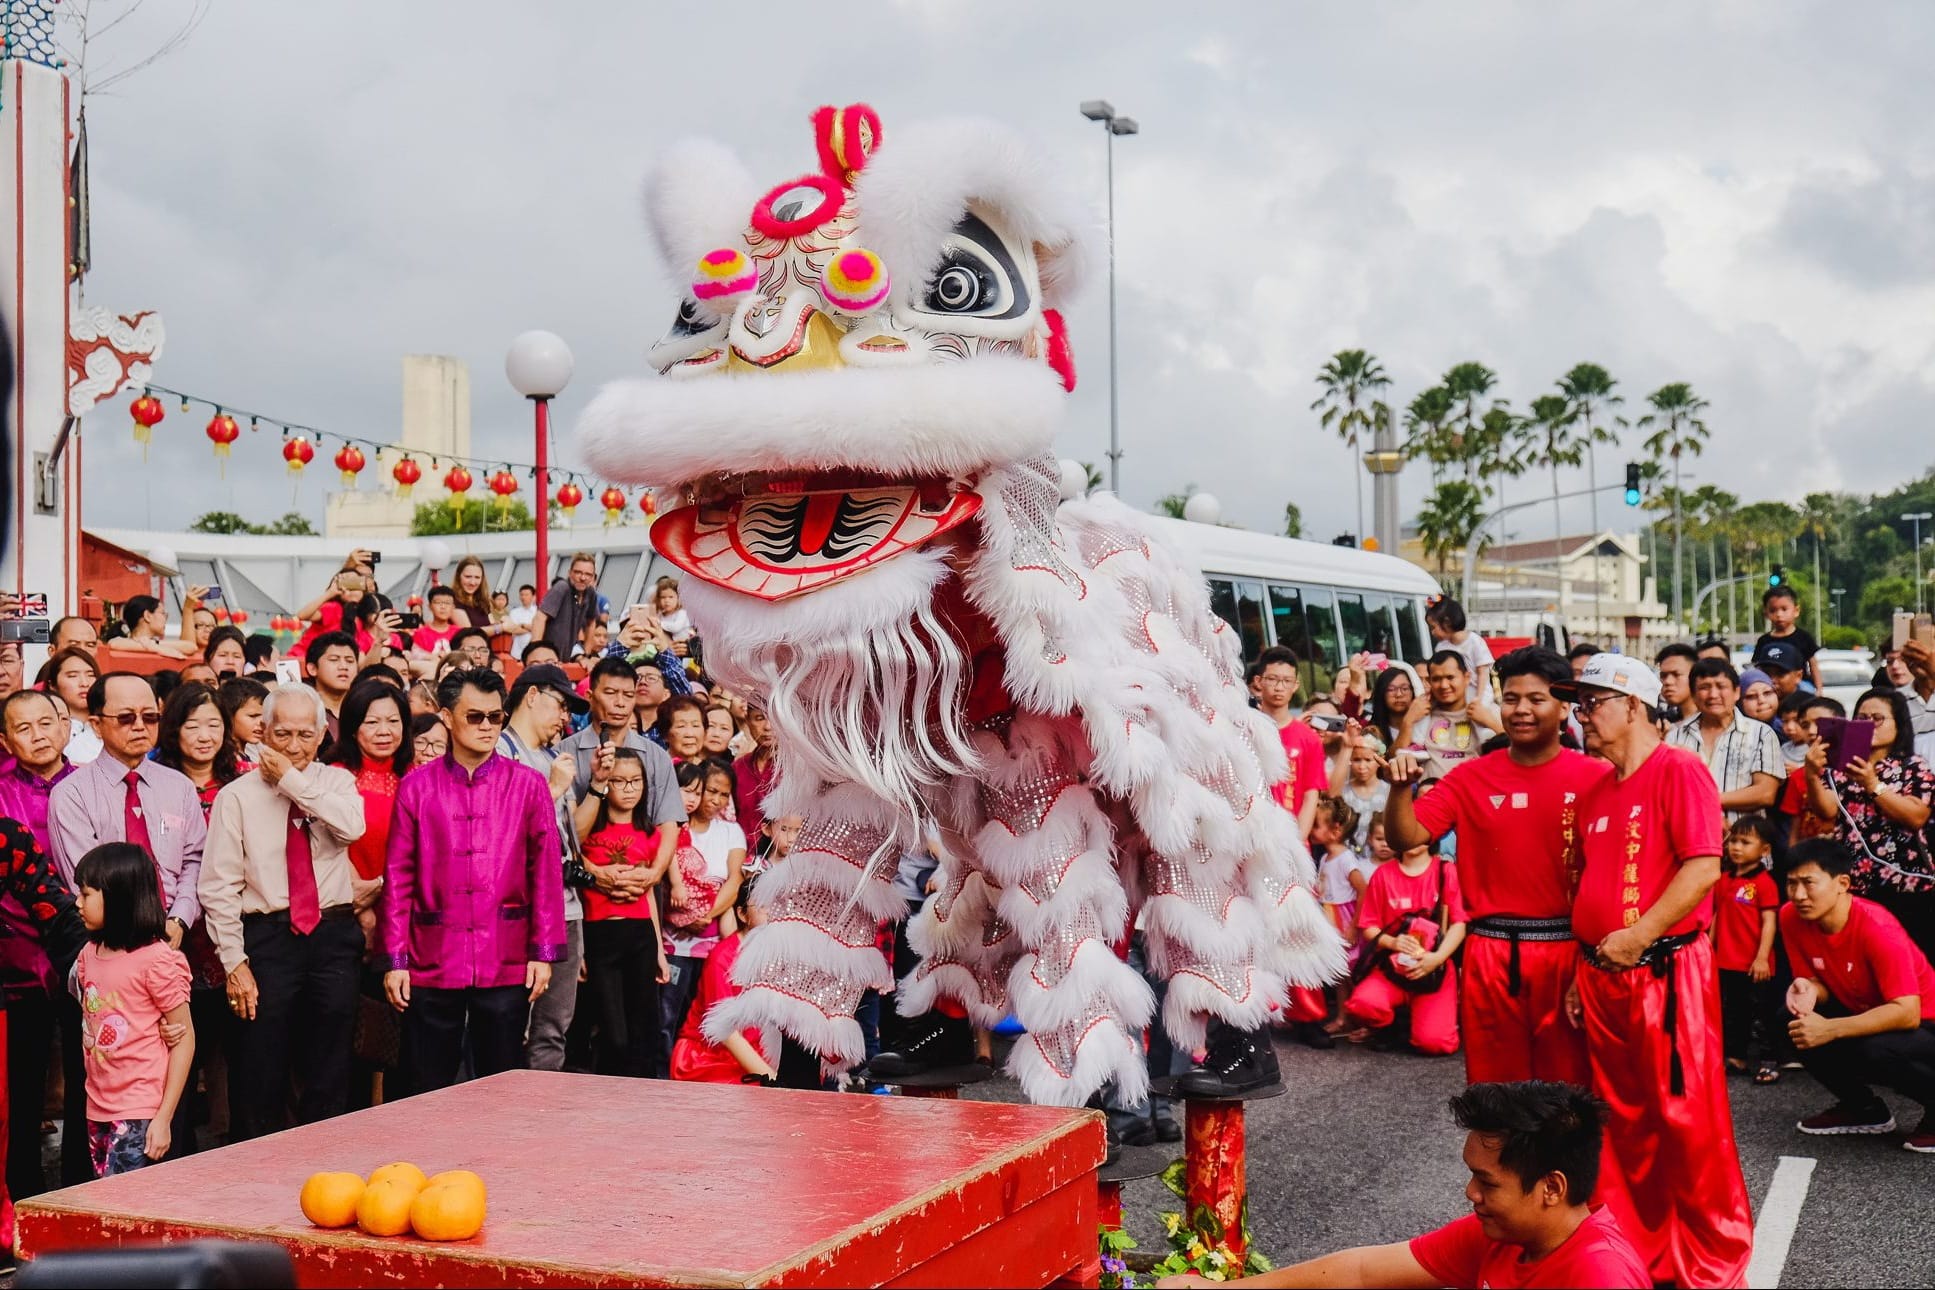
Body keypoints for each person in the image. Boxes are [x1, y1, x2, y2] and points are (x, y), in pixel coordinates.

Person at [1566, 653, 1750, 1289]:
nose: (1581, 715)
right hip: (1602, 976)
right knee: (1621, 1124)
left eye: (1592, 703)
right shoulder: (1595, 787)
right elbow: (1588, 885)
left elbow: (1703, 869)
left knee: (1685, 1118)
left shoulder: (1681, 770)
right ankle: (1639, 1252)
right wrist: (1579, 970)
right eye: (1580, 705)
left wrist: (1639, 934)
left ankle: (1711, 1259)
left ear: (1634, 707)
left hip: (1664, 974)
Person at [1154, 1080, 1647, 1289]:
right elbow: (1363, 1271)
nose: (1470, 1193)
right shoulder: (1511, 1236)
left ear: (1552, 1187)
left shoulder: (1600, 1276)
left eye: (1486, 1182)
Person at [1383, 647, 1603, 1086]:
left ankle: (1560, 1158)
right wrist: (1400, 791)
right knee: (1494, 1089)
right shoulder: (1469, 777)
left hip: (1567, 953)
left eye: (1536, 699)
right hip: (1489, 951)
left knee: (1567, 1092)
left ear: (1564, 708)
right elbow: (1405, 838)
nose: (1521, 710)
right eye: (1511, 698)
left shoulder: (1596, 777)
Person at [380, 668, 565, 1094]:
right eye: (475, 717)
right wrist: (395, 959)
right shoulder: (416, 788)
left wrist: (542, 952)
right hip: (432, 954)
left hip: (507, 951)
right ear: (446, 717)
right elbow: (398, 877)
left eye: (495, 717)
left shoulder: (528, 785)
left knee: (501, 1079)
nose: (487, 727)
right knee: (425, 1080)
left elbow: (546, 872)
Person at [200, 683, 370, 1140]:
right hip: (268, 937)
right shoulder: (236, 796)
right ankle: (254, 1173)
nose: (293, 746)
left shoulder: (336, 783)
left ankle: (326, 1166)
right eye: (282, 735)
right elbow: (218, 887)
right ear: (263, 733)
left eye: (304, 735)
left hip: (332, 935)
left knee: (330, 1062)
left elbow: (352, 827)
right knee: (259, 1063)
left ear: (320, 737)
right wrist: (235, 963)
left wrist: (293, 782)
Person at [1777, 838, 1935, 1150]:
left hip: (1923, 1024)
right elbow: (1813, 978)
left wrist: (1830, 1029)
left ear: (1842, 883)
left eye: (1809, 883)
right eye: (1791, 883)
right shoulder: (1790, 916)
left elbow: (1906, 1012)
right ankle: (1863, 1109)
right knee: (1790, 1021)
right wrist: (1808, 989)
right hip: (1864, 1011)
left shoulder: (1877, 927)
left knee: (1877, 1048)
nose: (1798, 895)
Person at [71, 842, 195, 1176]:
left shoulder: (157, 960)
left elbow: (184, 1038)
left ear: (117, 897)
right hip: (97, 1106)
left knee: (126, 1211)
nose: (77, 903)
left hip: (140, 1109)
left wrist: (164, 1117)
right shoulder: (88, 955)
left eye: (86, 894)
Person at [0, 690, 79, 1205]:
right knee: (19, 1089)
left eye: (46, 723)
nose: (37, 735)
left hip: (84, 954)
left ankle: (79, 1186)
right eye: (22, 728)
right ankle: (22, 1191)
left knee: (88, 1077)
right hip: (16, 962)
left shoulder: (92, 784)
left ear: (66, 726)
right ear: (5, 741)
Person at [494, 663, 591, 1074]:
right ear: (532, 696)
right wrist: (551, 790)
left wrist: (597, 785)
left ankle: (540, 1115)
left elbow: (573, 836)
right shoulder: (499, 752)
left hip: (565, 904)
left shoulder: (555, 756)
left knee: (554, 1026)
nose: (565, 717)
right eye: (560, 704)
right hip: (519, 909)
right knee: (508, 1022)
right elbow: (498, 834)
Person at [1802, 686, 1935, 961]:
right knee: (1865, 959)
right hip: (1855, 883)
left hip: (1905, 882)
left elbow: (1916, 816)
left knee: (1911, 961)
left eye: (1878, 718)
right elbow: (1826, 810)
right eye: (1862, 718)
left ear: (1899, 725)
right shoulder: (1841, 769)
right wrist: (1812, 775)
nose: (1869, 724)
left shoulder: (1913, 767)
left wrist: (1872, 784)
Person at [574, 747, 674, 1077]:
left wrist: (659, 949)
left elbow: (648, 897)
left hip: (641, 935)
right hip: (600, 935)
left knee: (644, 1027)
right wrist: (579, 950)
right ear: (604, 783)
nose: (629, 788)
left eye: (636, 781)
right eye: (619, 781)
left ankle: (642, 1104)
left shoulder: (650, 834)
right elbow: (575, 880)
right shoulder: (589, 833)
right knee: (612, 1032)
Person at [659, 758, 745, 1074]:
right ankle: (661, 1081)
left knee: (705, 1019)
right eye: (710, 791)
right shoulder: (676, 828)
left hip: (713, 946)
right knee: (666, 1018)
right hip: (673, 945)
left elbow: (735, 879)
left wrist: (704, 913)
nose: (715, 800)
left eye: (724, 794)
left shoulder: (731, 831)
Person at [1343, 834, 1466, 1055]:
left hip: (1433, 971)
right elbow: (1368, 926)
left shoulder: (1446, 871)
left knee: (1435, 1044)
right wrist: (1393, 942)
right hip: (1392, 969)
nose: (1411, 834)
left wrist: (1436, 959)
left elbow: (1460, 924)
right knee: (1362, 1004)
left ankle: (1424, 1019)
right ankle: (1391, 1025)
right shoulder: (1384, 874)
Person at [670, 876, 777, 1083]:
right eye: (764, 906)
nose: (773, 913)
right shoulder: (722, 959)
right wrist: (771, 1078)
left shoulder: (776, 955)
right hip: (709, 1056)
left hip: (754, 1051)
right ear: (742, 914)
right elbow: (726, 1033)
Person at [1666, 657, 1783, 820]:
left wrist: (1706, 800)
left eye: (1721, 687)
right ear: (1693, 695)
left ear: (1736, 692)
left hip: (1742, 840)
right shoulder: (1674, 736)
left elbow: (1765, 793)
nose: (1713, 695)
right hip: (1689, 837)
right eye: (1704, 687)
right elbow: (1667, 792)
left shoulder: (1761, 734)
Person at [1713, 814, 1782, 1083]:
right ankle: (1736, 1058)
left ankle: (1769, 1061)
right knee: (1734, 1013)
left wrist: (1762, 957)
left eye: (1745, 842)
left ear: (1764, 850)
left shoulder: (1765, 883)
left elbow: (1769, 922)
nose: (1736, 847)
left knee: (1761, 1016)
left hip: (1754, 964)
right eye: (1734, 841)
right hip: (1726, 961)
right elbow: (1717, 916)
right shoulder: (1724, 878)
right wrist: (1709, 947)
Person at [328, 680, 411, 897]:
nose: (384, 731)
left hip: (405, 900)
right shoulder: (335, 777)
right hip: (348, 899)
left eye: (393, 721)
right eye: (372, 722)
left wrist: (381, 886)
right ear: (353, 729)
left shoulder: (416, 777)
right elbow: (329, 848)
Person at [1253, 645, 1328, 837]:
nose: (1279, 687)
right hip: (1253, 838)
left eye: (1286, 681)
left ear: (1295, 685)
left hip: (1292, 838)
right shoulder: (1245, 730)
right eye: (1272, 679)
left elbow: (1311, 795)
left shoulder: (1309, 738)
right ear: (1258, 682)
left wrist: (1298, 842)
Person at [1405, 651, 1501, 783]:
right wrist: (1407, 721)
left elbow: (1518, 750)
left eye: (1450, 677)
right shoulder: (1420, 713)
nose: (1444, 685)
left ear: (1466, 678)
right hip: (1430, 797)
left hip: (1470, 796)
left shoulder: (1487, 711)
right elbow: (1394, 757)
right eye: (1437, 679)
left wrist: (1490, 722)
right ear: (1429, 681)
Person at [35, 647, 100, 765]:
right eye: (72, 676)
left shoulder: (110, 723)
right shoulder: (42, 729)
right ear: (52, 685)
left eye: (90, 675)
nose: (84, 683)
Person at [531, 553, 600, 659]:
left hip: (566, 656)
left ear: (593, 577)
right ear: (569, 573)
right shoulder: (562, 587)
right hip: (548, 656)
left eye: (588, 574)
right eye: (578, 572)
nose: (582, 577)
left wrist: (587, 654)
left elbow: (591, 623)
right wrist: (535, 652)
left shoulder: (591, 593)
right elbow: (539, 618)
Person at [1425, 596, 1493, 705]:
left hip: (1479, 697)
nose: (1432, 632)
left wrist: (1479, 698)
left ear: (1447, 623)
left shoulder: (1474, 641)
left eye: (1433, 627)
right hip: (1456, 699)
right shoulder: (1441, 647)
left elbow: (1482, 673)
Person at [1757, 585, 1823, 692]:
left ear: (1796, 611)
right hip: (1771, 684)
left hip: (1801, 684)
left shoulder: (1804, 637)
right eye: (1773, 610)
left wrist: (1819, 689)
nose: (1779, 614)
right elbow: (1758, 668)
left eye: (1784, 609)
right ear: (1766, 613)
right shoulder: (1764, 641)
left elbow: (1813, 664)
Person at [303, 632, 360, 746]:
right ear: (313, 668)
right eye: (334, 660)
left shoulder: (362, 709)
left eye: (350, 661)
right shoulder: (303, 711)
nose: (343, 666)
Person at [733, 705, 777, 838]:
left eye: (775, 719)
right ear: (747, 721)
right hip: (741, 853)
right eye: (759, 718)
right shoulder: (738, 767)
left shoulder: (798, 769)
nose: (768, 727)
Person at [111, 596, 193, 659]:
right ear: (147, 616)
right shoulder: (119, 642)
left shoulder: (150, 644)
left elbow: (190, 647)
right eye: (163, 613)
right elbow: (114, 644)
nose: (165, 619)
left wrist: (152, 645)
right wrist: (156, 647)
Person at [408, 586, 463, 675]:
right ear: (429, 606)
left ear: (453, 607)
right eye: (438, 603)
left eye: (447, 603)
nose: (443, 607)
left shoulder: (460, 632)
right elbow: (415, 658)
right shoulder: (420, 633)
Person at [219, 676, 268, 764]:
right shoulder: (228, 761)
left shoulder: (242, 756)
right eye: (253, 716)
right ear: (228, 715)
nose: (262, 722)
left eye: (265, 716)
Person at [448, 555, 496, 631]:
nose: (472, 582)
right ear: (458, 576)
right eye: (468, 577)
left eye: (477, 577)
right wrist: (500, 628)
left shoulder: (484, 602)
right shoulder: (452, 601)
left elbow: (492, 624)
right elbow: (469, 632)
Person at [1654, 642, 1698, 723]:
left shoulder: (1712, 724)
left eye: (1676, 674)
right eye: (1663, 676)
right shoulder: (1660, 723)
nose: (1668, 682)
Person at [505, 584, 538, 658]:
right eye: (521, 594)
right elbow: (512, 629)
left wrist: (523, 625)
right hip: (517, 652)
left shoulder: (538, 611)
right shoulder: (514, 612)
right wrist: (532, 628)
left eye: (526, 595)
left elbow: (541, 628)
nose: (523, 597)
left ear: (533, 597)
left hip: (534, 649)